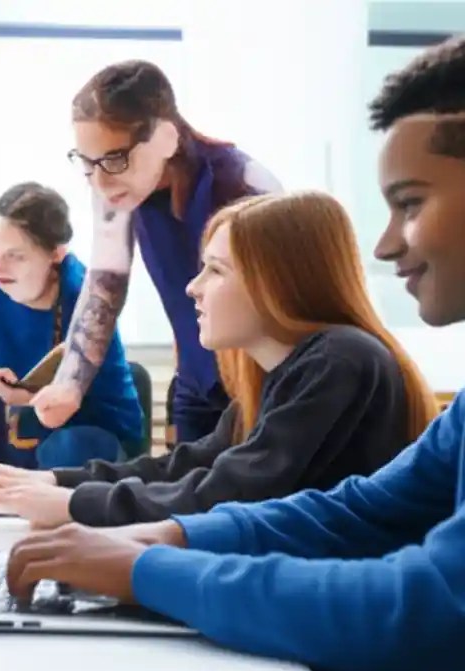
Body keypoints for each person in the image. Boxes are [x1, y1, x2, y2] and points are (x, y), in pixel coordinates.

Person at [4, 25, 465, 671]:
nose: (383, 245)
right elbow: (359, 510)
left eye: (411, 204)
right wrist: (165, 537)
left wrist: (144, 567)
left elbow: (421, 608)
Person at [0, 191, 439, 530]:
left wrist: (71, 504)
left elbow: (225, 494)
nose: (192, 287)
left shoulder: (341, 359)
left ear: (275, 282)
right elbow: (189, 467)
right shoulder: (284, 375)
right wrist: (50, 480)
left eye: (215, 270)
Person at [30, 60, 281, 444]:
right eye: (87, 162)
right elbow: (104, 287)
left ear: (166, 137)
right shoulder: (115, 188)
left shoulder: (245, 185)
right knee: (183, 495)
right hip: (196, 383)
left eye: (115, 159)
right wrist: (69, 385)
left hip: (261, 383)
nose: (100, 181)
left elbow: (288, 307)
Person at [0, 182, 143, 470]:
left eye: (16, 255)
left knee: (65, 450)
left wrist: (42, 396)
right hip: (23, 433)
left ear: (56, 254)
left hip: (94, 432)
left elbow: (96, 395)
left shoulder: (88, 295)